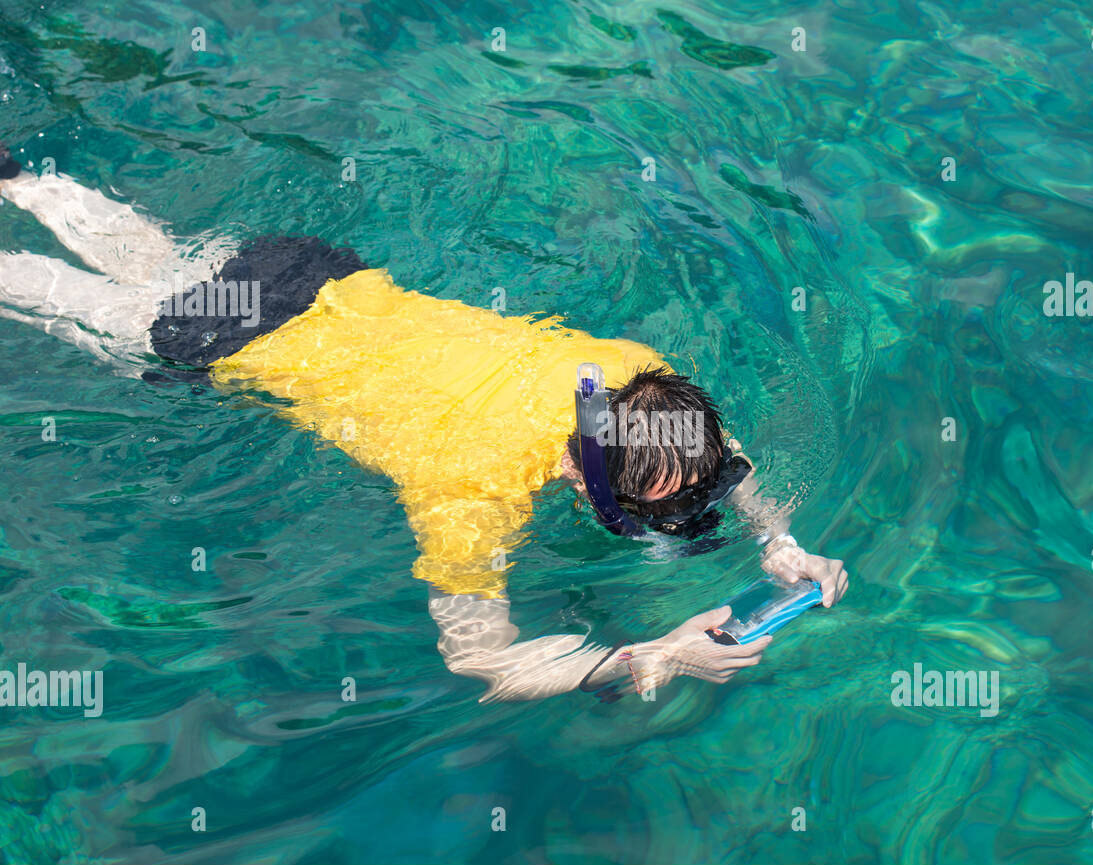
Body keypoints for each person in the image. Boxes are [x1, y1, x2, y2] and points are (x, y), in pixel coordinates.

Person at [0, 142, 849, 702]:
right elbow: (476, 655)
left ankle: (21, 178)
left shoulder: (620, 375)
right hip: (239, 340)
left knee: (164, 263)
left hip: (306, 274)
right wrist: (648, 657)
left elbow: (716, 451)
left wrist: (778, 540)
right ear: (580, 478)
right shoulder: (468, 489)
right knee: (85, 304)